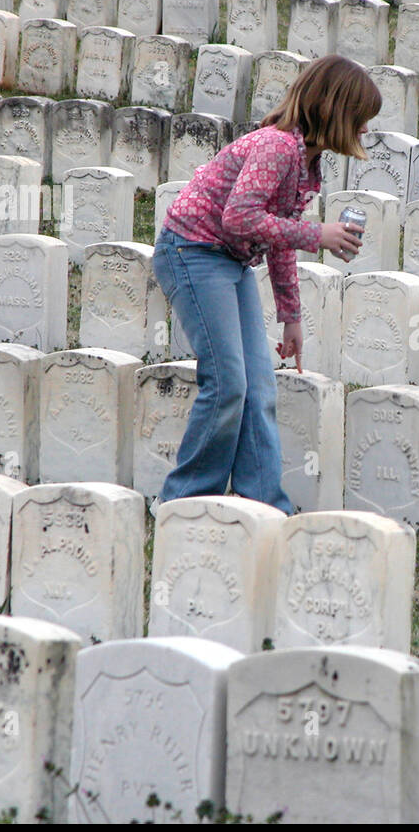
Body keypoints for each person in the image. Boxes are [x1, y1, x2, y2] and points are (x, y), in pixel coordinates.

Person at [152, 54, 381, 513]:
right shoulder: (278, 147)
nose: (365, 132)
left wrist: (290, 316)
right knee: (228, 382)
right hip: (192, 251)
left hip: (228, 262)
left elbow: (275, 239)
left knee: (259, 387)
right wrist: (320, 235)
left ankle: (263, 504)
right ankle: (185, 502)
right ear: (336, 111)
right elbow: (240, 218)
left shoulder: (306, 163)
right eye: (361, 120)